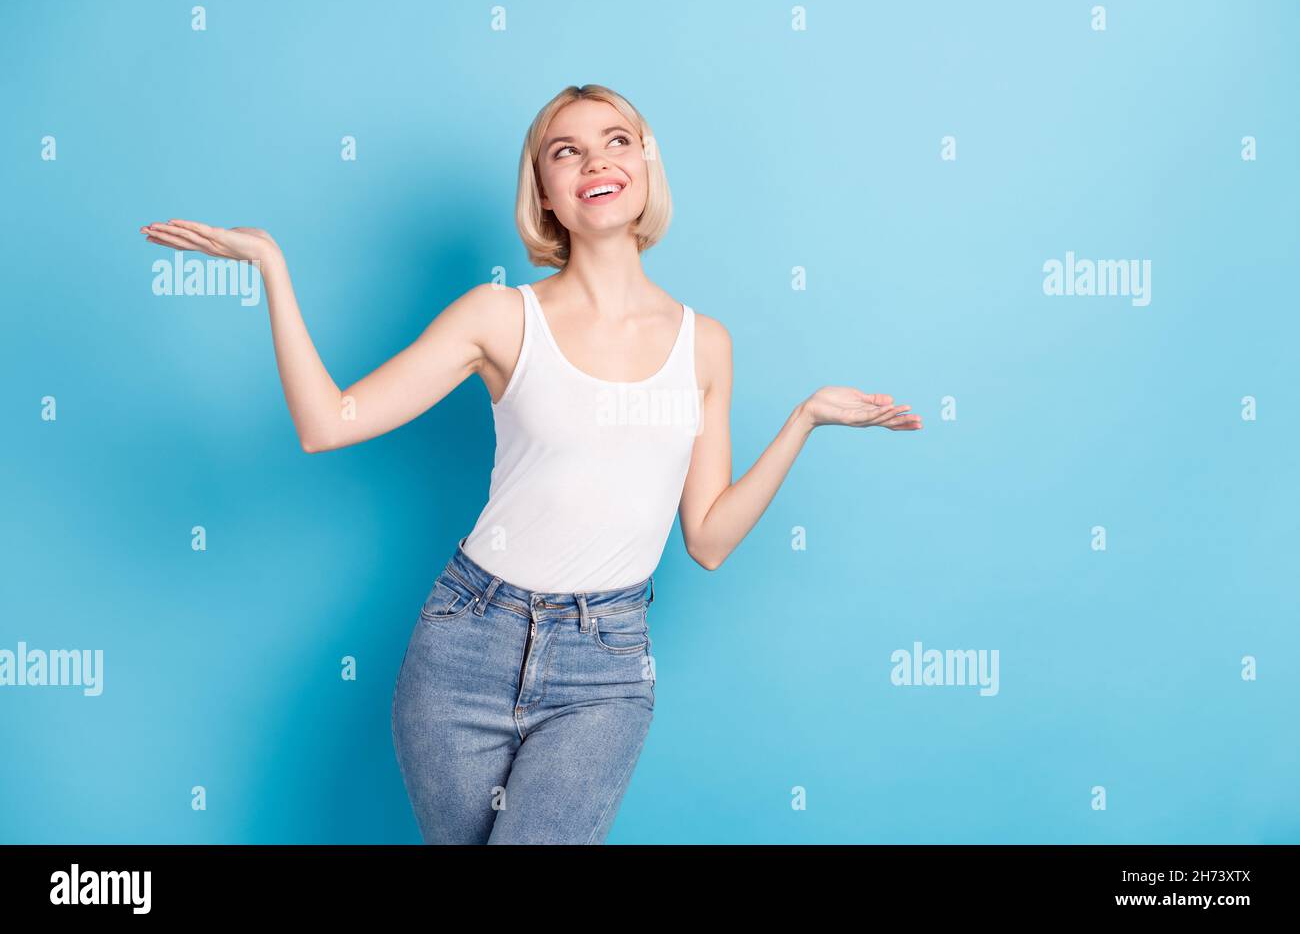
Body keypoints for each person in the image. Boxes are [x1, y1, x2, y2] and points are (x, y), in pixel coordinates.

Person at [139, 83, 923, 844]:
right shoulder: (500, 318)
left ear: (646, 165)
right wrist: (274, 270)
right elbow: (325, 425)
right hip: (465, 646)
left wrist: (804, 420)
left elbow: (709, 541)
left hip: (604, 666)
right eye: (566, 151)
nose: (595, 162)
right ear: (544, 191)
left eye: (617, 141)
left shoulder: (704, 344)